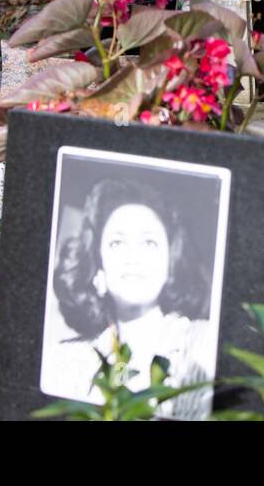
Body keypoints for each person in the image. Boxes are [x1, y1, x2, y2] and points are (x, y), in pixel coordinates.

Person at [41, 177, 215, 418]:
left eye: (149, 243)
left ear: (170, 264)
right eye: (117, 243)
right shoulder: (64, 361)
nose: (133, 257)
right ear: (99, 268)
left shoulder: (205, 345)